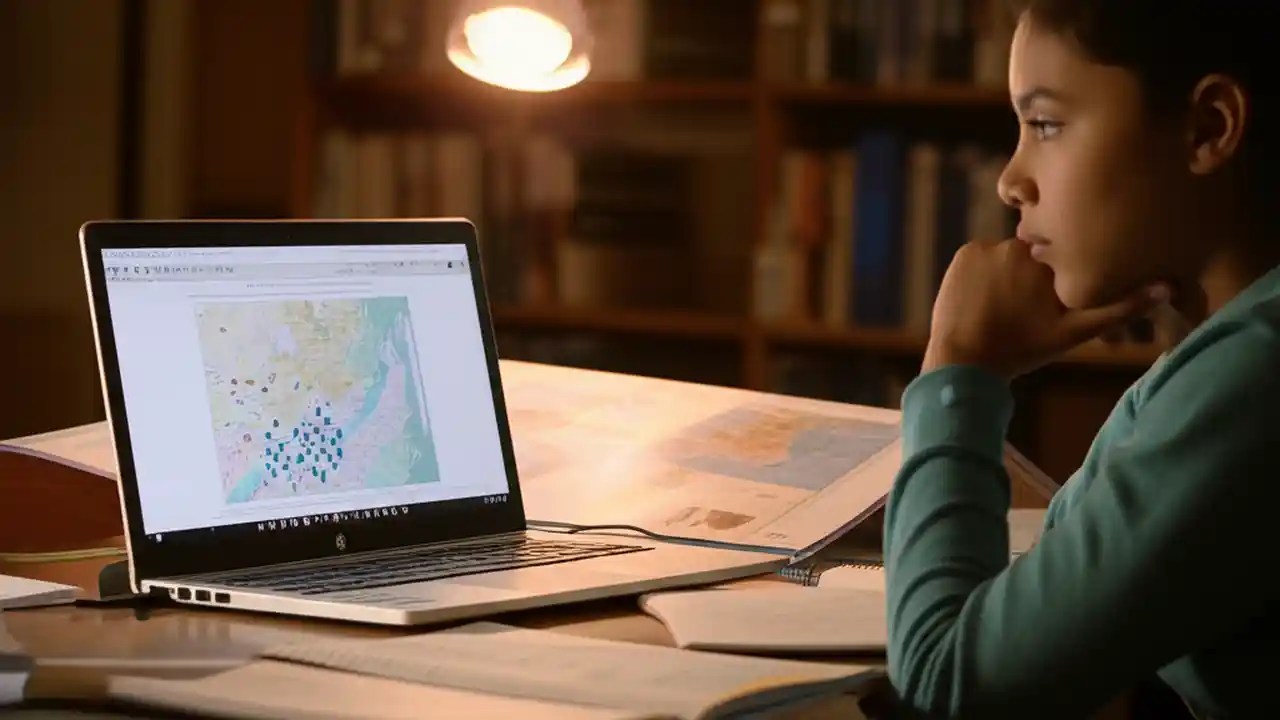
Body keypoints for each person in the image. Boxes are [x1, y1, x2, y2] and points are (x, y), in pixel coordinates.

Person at [883, 0, 1280, 717]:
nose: (1010, 180)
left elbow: (950, 688)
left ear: (1208, 128)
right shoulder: (1216, 358)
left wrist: (959, 372)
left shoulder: (1256, 380)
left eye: (1046, 125)